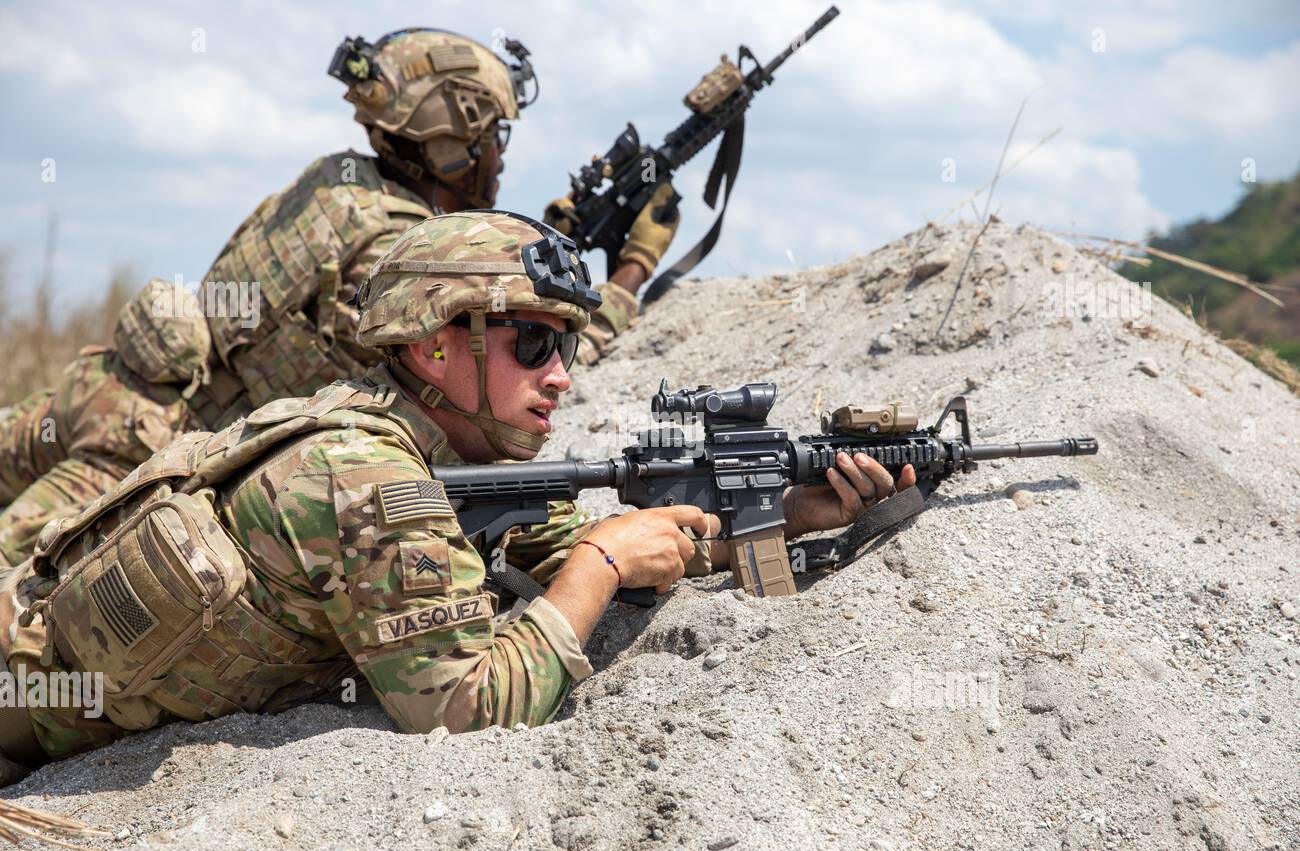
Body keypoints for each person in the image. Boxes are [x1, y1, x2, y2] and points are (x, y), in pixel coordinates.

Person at [0, 211, 913, 785]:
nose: (559, 375)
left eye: (569, 347)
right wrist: (602, 561)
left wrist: (787, 519)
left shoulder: (434, 445)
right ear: (436, 344)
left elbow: (564, 554)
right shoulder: (364, 476)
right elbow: (463, 710)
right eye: (530, 343)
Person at [0, 27, 678, 567]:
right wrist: (630, 274)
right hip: (143, 448)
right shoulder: (399, 245)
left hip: (101, 390)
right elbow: (487, 364)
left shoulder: (336, 183)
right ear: (450, 140)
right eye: (490, 136)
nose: (499, 157)